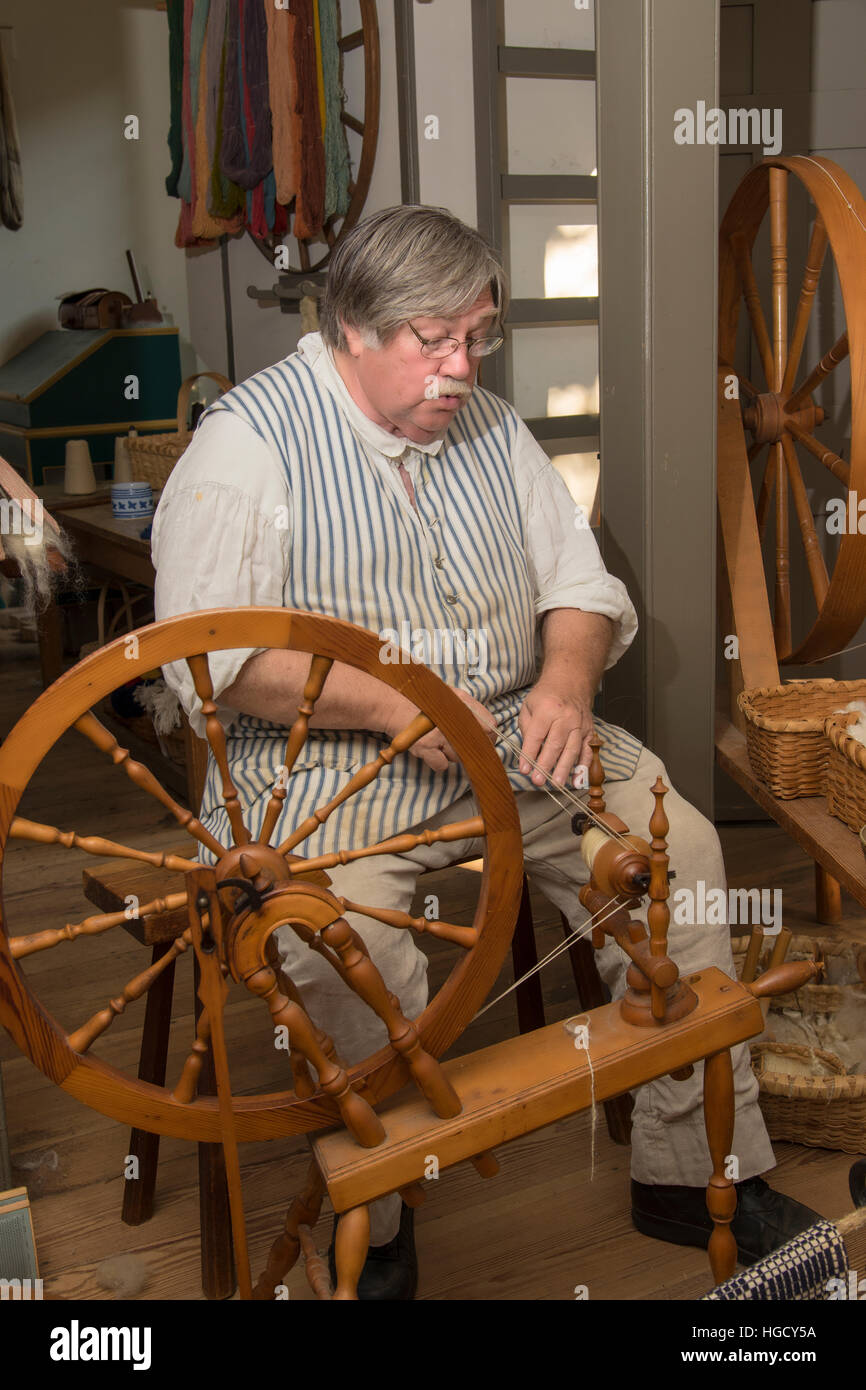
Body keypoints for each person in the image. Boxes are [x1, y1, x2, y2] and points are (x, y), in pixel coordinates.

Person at [152, 204, 817, 1300]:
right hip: (323, 772)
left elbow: (577, 585)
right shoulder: (247, 445)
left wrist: (563, 678)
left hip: (520, 731)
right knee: (341, 940)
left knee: (683, 858)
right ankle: (385, 1211)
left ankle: (692, 1170)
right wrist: (383, 705)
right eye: (434, 339)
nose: (462, 367)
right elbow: (207, 660)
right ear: (353, 329)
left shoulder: (491, 428)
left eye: (478, 335)